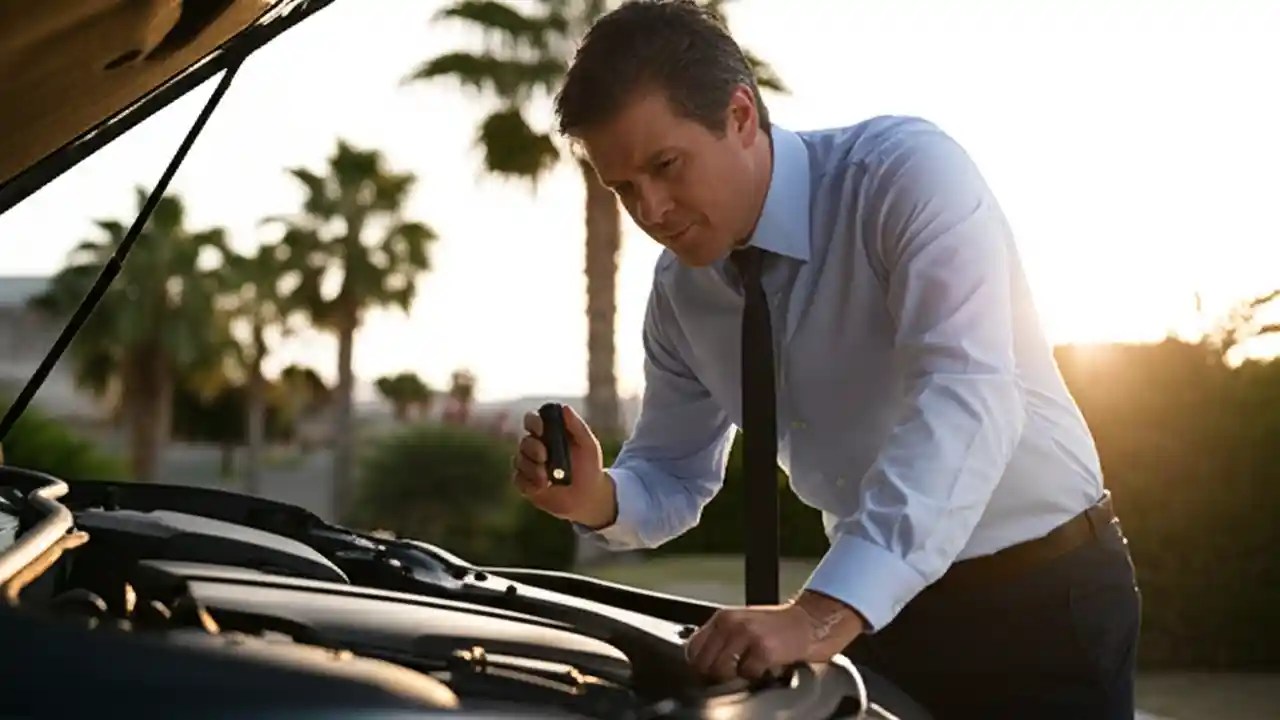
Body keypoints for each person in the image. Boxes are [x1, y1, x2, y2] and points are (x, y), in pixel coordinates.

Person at [510, 1, 1141, 717]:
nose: (651, 209)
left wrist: (820, 615)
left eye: (665, 165)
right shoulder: (681, 292)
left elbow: (965, 397)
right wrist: (597, 498)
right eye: (622, 187)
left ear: (741, 116)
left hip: (1042, 595)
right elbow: (673, 476)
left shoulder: (904, 175)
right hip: (876, 608)